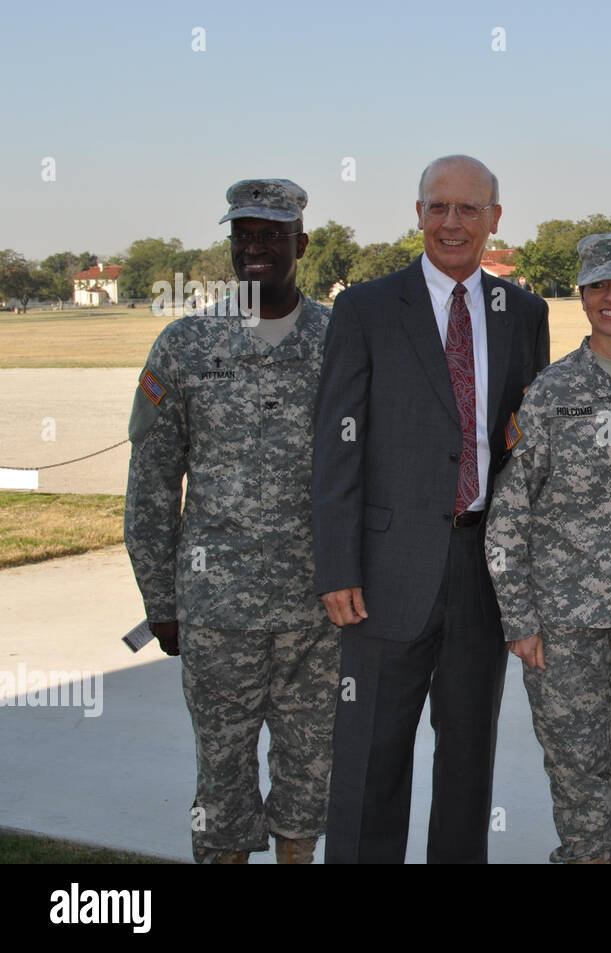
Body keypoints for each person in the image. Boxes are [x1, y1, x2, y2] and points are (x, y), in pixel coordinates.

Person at [312, 155, 549, 864]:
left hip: (483, 569)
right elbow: (336, 447)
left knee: (468, 763)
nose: (452, 222)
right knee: (369, 761)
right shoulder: (366, 308)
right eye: (438, 207)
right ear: (418, 214)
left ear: (494, 219)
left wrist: (527, 576)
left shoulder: (524, 313)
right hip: (384, 573)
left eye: (469, 208)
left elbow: (527, 454)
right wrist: (337, 565)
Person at [125, 178, 336, 864]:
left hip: (319, 614)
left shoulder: (340, 341)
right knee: (221, 784)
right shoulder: (186, 345)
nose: (256, 248)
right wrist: (161, 600)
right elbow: (153, 485)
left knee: (310, 779)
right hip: (216, 615)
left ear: (300, 244)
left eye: (272, 235)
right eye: (244, 234)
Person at [486, 231, 611, 863]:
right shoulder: (549, 394)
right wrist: (519, 619)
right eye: (599, 285)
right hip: (564, 625)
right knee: (577, 772)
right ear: (580, 297)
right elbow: (508, 514)